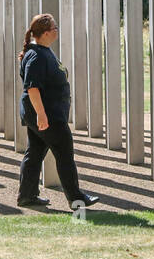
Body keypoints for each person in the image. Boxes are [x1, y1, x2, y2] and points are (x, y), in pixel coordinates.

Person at [17, 13, 99, 211]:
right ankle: (76, 198)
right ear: (45, 33)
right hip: (48, 115)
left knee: (35, 152)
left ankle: (27, 196)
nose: (57, 31)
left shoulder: (44, 51)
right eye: (55, 28)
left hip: (48, 113)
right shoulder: (36, 56)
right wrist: (42, 115)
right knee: (64, 153)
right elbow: (32, 88)